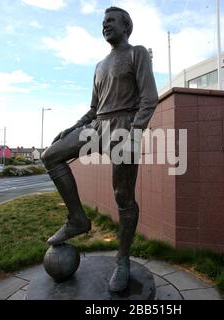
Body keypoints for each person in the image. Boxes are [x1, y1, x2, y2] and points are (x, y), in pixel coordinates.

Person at [41, 6, 158, 292]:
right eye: (103, 22)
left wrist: (134, 133)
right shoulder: (99, 66)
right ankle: (78, 219)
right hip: (98, 126)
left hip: (124, 127)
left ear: (125, 26)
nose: (105, 25)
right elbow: (94, 109)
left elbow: (149, 99)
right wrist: (72, 128)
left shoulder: (137, 53)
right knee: (51, 156)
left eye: (110, 21)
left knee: (123, 197)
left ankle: (122, 260)